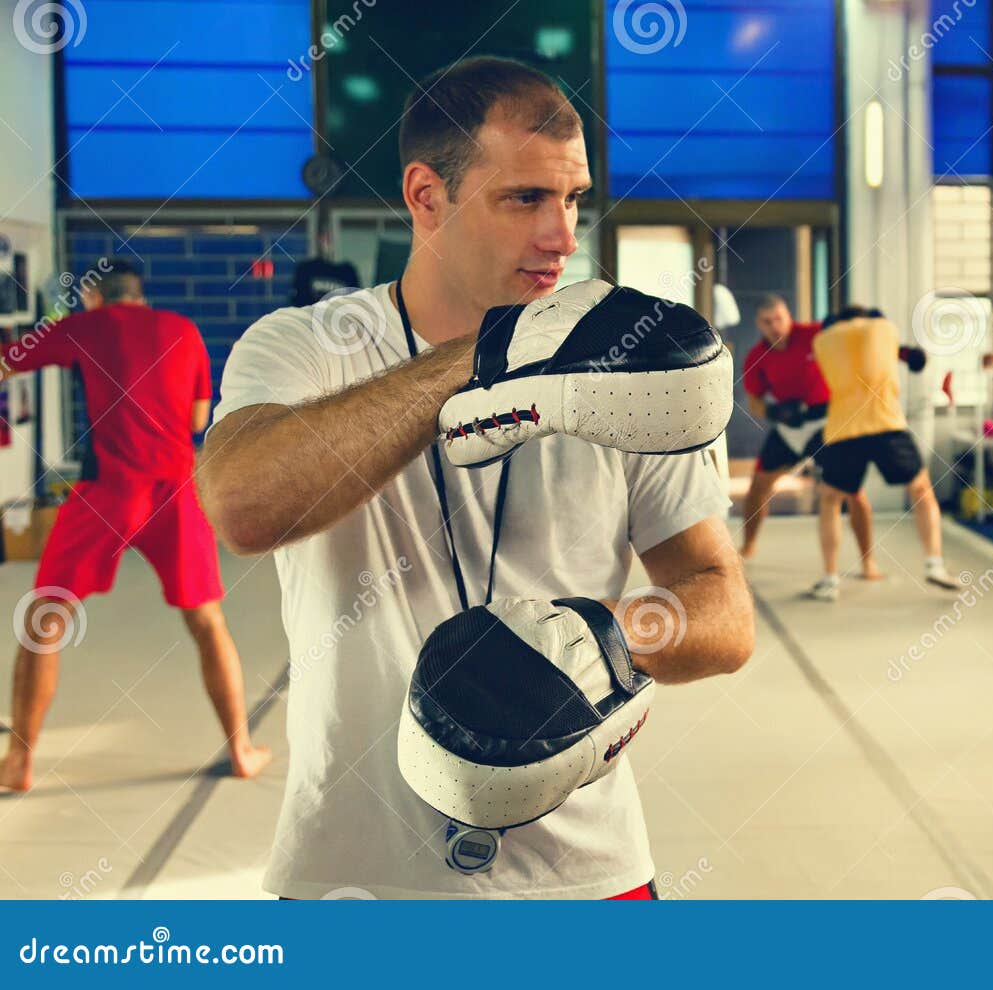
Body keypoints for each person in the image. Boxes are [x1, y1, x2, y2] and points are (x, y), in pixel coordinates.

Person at [196, 56, 753, 900]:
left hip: (583, 877)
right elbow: (242, 505)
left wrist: (607, 640)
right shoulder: (305, 346)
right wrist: (489, 358)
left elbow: (724, 608)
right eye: (525, 198)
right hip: (353, 874)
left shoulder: (629, 372)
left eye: (572, 199)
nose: (563, 235)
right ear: (426, 197)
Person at [0, 260, 271, 792]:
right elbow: (197, 421)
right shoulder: (184, 330)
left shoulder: (84, 325)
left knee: (45, 621)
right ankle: (241, 750)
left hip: (110, 493)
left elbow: (8, 362)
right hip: (176, 492)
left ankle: (18, 763)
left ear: (95, 295)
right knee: (208, 621)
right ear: (140, 294)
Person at [807, 305, 955, 601]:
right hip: (885, 423)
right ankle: (934, 564)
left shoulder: (823, 341)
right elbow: (889, 357)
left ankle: (830, 579)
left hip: (843, 429)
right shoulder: (882, 328)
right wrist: (907, 353)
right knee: (921, 489)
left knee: (831, 500)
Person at [739, 294, 879, 577]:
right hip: (789, 428)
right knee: (758, 487)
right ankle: (748, 546)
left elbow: (851, 339)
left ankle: (868, 562)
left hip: (828, 422)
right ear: (759, 325)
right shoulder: (756, 356)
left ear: (789, 316)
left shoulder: (815, 334)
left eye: (779, 318)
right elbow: (754, 402)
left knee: (853, 491)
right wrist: (776, 413)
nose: (775, 326)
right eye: (767, 322)